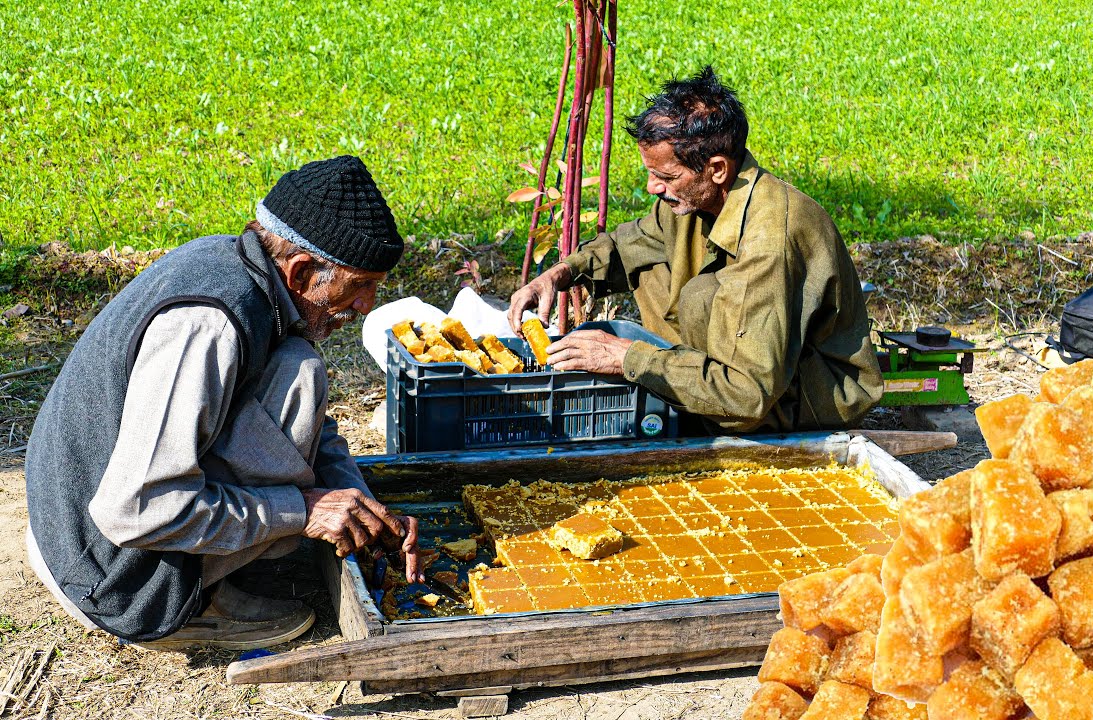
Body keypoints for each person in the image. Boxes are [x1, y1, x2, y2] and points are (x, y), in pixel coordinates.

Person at [25, 155, 426, 650]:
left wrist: (361, 503)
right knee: (300, 376)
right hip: (106, 572)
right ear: (301, 271)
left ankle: (214, 560)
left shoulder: (247, 267)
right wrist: (302, 511)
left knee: (299, 370)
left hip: (87, 527)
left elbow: (317, 426)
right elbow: (135, 509)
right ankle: (191, 603)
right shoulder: (208, 326)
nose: (367, 305)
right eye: (360, 285)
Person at [508, 67, 883, 434]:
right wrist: (559, 274)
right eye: (651, 174)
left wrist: (627, 357)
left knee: (699, 297)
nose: (653, 187)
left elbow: (747, 394)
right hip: (750, 372)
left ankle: (691, 404)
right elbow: (627, 246)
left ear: (717, 169)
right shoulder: (693, 199)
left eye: (667, 177)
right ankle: (685, 390)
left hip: (809, 395)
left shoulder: (769, 241)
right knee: (648, 263)